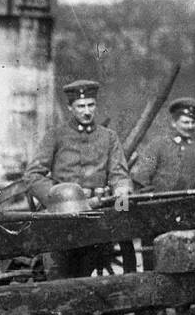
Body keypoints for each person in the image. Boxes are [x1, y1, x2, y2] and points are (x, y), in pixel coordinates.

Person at [23, 80, 132, 278]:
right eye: (81, 106)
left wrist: (122, 191)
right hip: (61, 218)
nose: (87, 111)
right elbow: (33, 175)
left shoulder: (109, 137)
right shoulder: (56, 135)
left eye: (91, 105)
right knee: (58, 273)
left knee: (86, 270)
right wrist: (57, 199)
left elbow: (119, 174)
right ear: (70, 108)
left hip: (95, 213)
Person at [130, 97, 195, 193]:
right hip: (158, 200)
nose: (190, 126)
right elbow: (141, 176)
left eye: (193, 122)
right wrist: (150, 195)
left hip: (190, 201)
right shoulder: (157, 146)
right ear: (174, 123)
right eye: (185, 122)